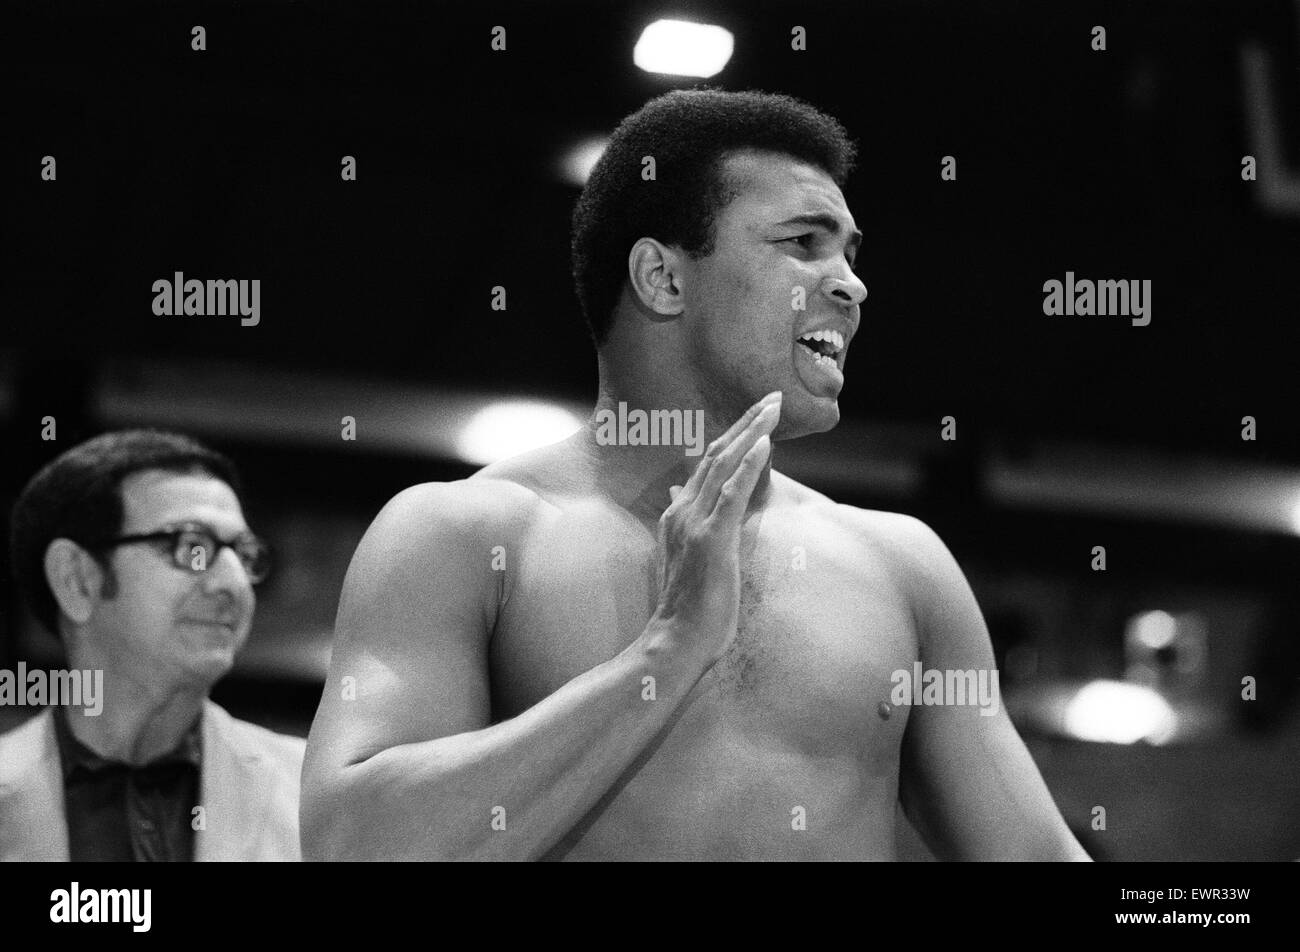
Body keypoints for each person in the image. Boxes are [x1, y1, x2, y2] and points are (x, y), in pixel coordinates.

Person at [301, 89, 1089, 861]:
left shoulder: (905, 567)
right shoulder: (464, 534)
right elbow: (356, 846)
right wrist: (669, 650)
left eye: (849, 252)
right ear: (663, 279)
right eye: (803, 243)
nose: (852, 285)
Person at [0, 430, 304, 861]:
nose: (234, 584)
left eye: (245, 554)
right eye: (190, 547)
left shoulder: (315, 794)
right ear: (77, 580)